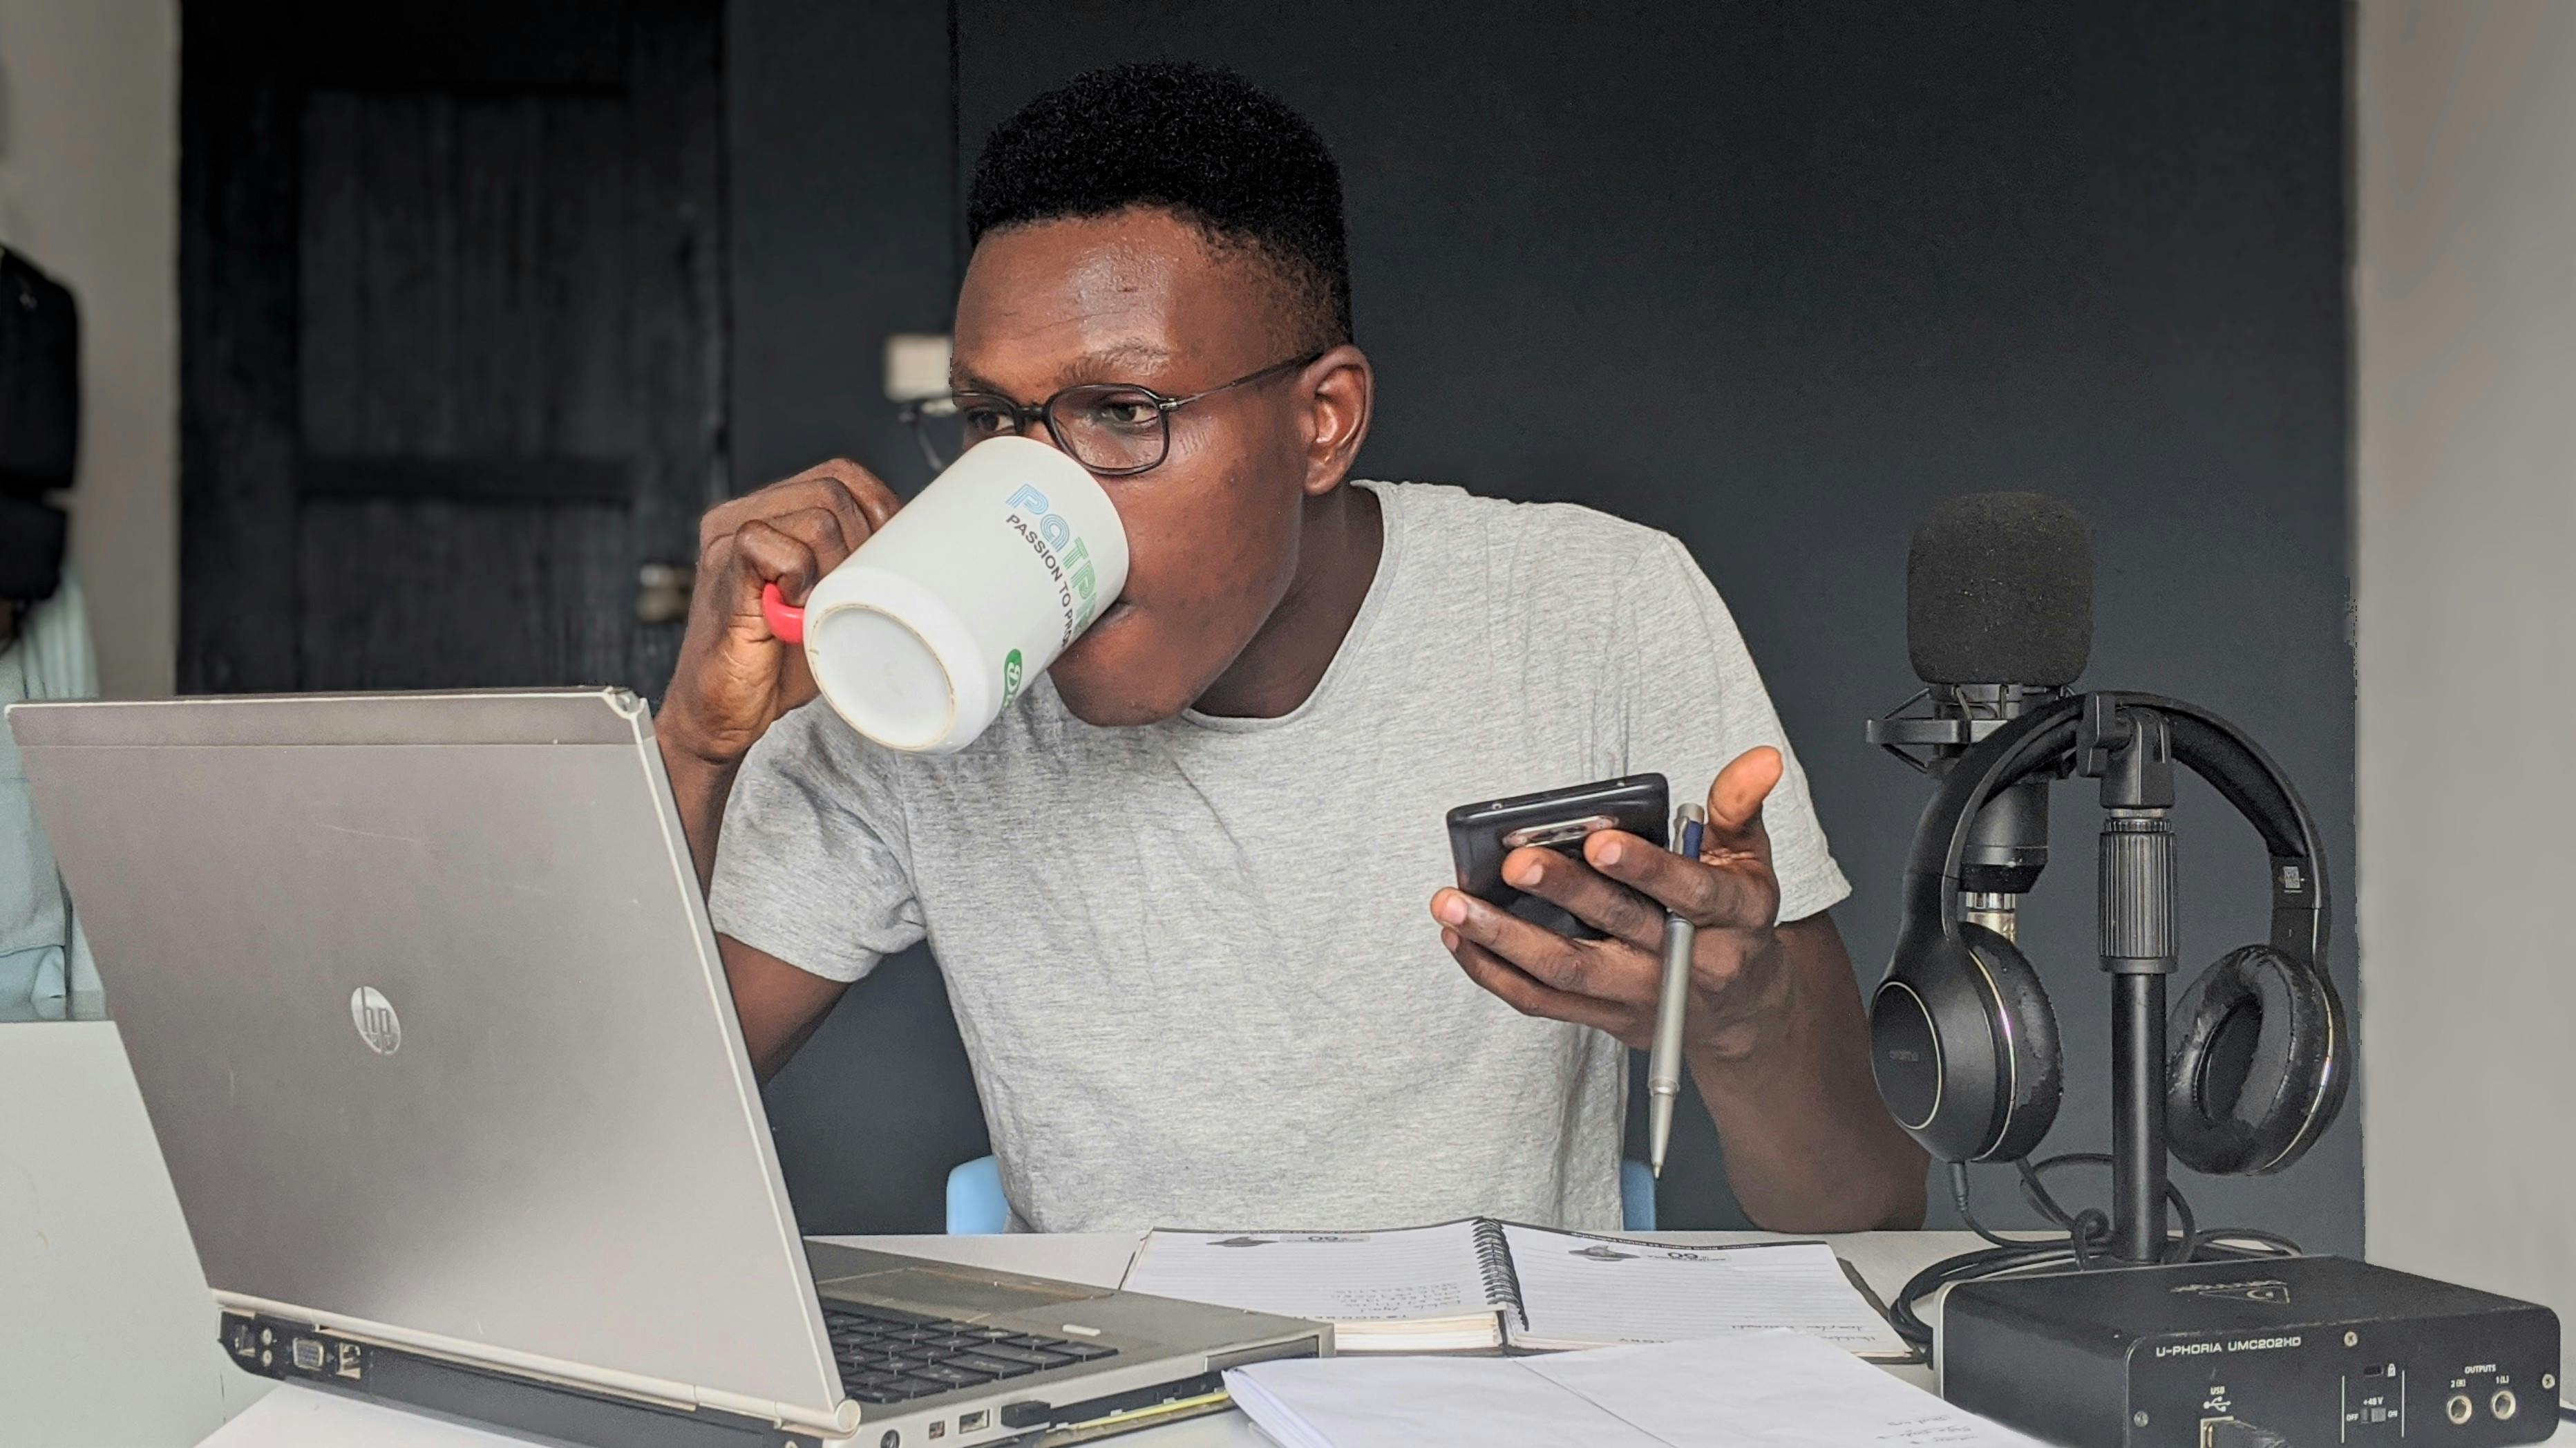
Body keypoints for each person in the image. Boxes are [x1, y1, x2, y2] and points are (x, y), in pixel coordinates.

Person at [656, 62, 1926, 1233]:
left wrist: (1746, 1022)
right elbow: (616, 1126)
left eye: (1121, 413)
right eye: (995, 420)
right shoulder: (930, 687)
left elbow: (1865, 1214)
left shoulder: (1594, 605)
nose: (1039, 497)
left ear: (1324, 422)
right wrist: (696, 751)